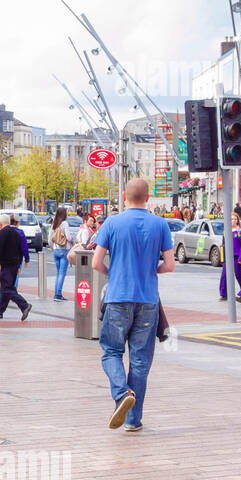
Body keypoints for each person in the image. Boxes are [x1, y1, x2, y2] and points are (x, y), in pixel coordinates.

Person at [92, 178, 175, 434]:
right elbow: (170, 265)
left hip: (118, 297)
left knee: (111, 351)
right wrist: (152, 270)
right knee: (140, 361)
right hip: (148, 300)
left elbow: (95, 263)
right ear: (148, 198)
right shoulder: (160, 224)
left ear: (124, 198)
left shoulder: (112, 223)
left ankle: (120, 394)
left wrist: (113, 272)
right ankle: (132, 420)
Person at [0, 214, 32, 321]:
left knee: (7, 288)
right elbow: (21, 250)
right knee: (5, 289)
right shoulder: (17, 232)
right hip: (14, 264)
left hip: (7, 265)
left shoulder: (3, 233)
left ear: (0, 223)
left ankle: (24, 305)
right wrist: (19, 265)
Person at [220, 212, 241, 302]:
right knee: (225, 275)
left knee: (238, 275)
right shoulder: (226, 231)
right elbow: (223, 245)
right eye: (232, 219)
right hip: (228, 256)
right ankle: (224, 294)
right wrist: (223, 258)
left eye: (235, 219)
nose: (233, 221)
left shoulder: (240, 231)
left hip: (237, 256)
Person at [50, 206, 70, 301]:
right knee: (62, 273)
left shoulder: (54, 223)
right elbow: (69, 237)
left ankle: (57, 293)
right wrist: (73, 241)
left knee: (59, 273)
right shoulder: (65, 224)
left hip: (55, 250)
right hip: (64, 250)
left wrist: (52, 247)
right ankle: (58, 295)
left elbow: (50, 238)